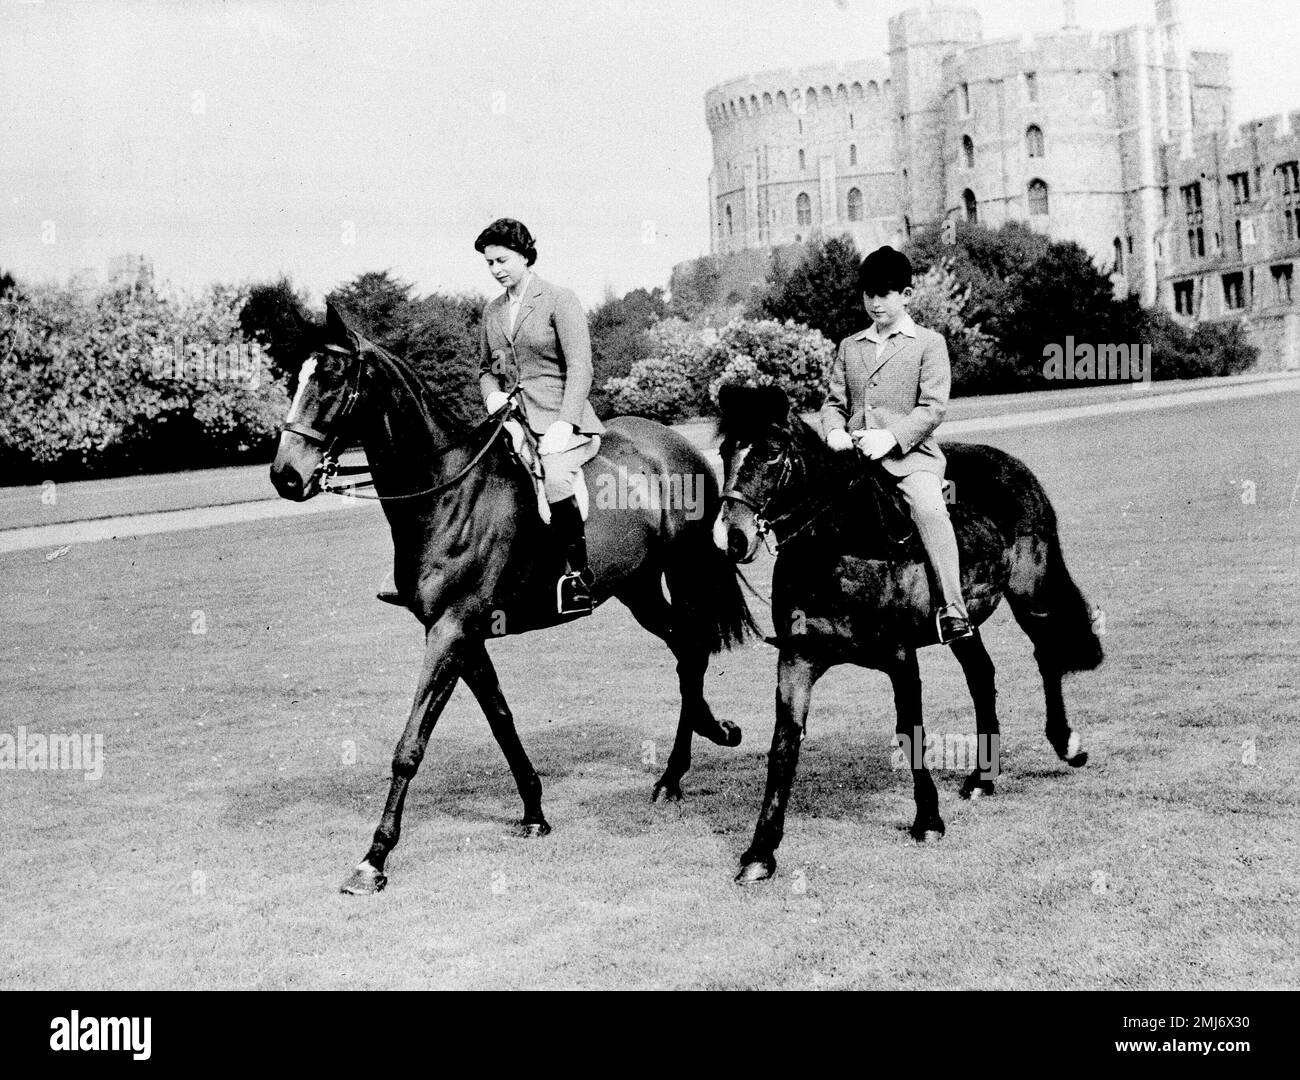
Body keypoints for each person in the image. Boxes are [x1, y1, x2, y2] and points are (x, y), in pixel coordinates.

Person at [819, 245, 973, 645]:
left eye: (885, 294)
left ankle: (953, 611)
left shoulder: (928, 343)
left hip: (910, 459)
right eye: (868, 293)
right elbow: (834, 404)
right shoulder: (850, 346)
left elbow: (933, 408)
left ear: (906, 295)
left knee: (930, 509)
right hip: (853, 458)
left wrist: (891, 437)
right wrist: (834, 430)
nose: (875, 303)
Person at [476, 218, 605, 616]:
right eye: (489, 263)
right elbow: (484, 369)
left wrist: (565, 423)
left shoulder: (558, 299)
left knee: (555, 476)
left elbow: (581, 367)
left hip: (562, 419)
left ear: (524, 255)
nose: (496, 269)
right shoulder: (492, 311)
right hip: (512, 420)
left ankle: (578, 578)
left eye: (502, 260)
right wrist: (492, 395)